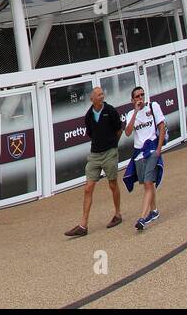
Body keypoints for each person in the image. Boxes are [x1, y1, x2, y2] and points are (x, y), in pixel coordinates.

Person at [65, 86, 125, 236]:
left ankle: (117, 214)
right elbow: (91, 133)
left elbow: (119, 130)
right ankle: (83, 226)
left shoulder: (110, 111)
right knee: (88, 187)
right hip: (95, 155)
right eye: (98, 95)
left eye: (102, 94)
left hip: (110, 152)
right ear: (92, 99)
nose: (101, 97)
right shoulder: (88, 116)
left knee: (112, 183)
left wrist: (112, 146)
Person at [123, 86, 165, 230]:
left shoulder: (153, 106)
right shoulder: (130, 114)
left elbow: (161, 126)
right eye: (137, 96)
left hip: (152, 149)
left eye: (142, 95)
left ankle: (142, 218)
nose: (140, 98)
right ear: (132, 100)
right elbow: (128, 132)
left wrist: (158, 149)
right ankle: (154, 211)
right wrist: (135, 111)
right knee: (147, 184)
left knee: (148, 183)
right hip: (139, 153)